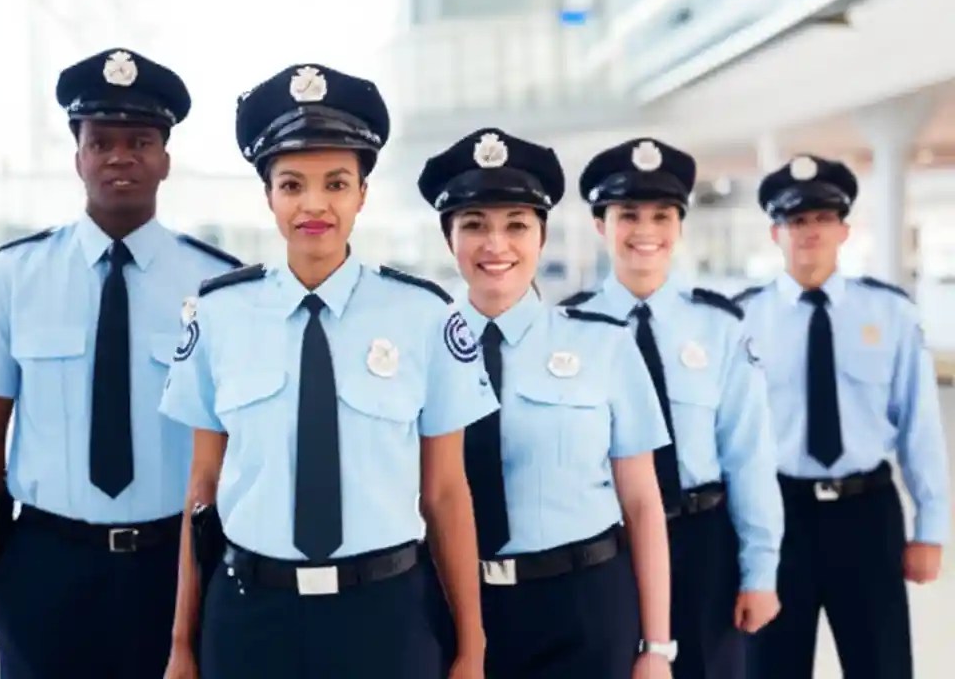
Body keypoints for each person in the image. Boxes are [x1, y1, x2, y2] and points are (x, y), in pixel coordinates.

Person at [159, 64, 497, 679]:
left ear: (362, 194)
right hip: (251, 616)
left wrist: (472, 649)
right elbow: (201, 489)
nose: (313, 204)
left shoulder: (423, 315)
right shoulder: (218, 315)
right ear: (269, 197)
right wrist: (183, 643)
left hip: (386, 618)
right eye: (292, 185)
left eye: (336, 183)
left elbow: (447, 492)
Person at [0, 48, 243, 678]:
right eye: (100, 141)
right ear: (78, 157)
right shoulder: (12, 277)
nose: (119, 156)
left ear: (165, 159)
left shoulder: (219, 287)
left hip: (176, 561)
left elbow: (241, 441)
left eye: (140, 141)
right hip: (47, 563)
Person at [418, 128, 675, 679]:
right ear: (449, 240)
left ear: (541, 236)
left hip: (581, 607)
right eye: (474, 226)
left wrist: (657, 646)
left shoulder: (603, 344)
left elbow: (642, 503)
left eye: (516, 225)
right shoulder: (414, 350)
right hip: (449, 603)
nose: (496, 245)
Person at [559, 138, 784, 679]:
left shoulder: (720, 326)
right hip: (608, 547)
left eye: (662, 215)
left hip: (703, 545)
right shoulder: (567, 330)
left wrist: (761, 570)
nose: (645, 231)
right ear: (600, 224)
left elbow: (749, 455)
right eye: (627, 215)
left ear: (680, 226)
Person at [736, 155, 948, 679]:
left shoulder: (890, 313)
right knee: (769, 667)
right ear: (774, 232)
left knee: (881, 665)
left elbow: (919, 426)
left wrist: (931, 527)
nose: (810, 231)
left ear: (845, 229)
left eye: (822, 218)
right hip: (777, 515)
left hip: (865, 513)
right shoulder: (741, 318)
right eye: (796, 221)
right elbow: (732, 438)